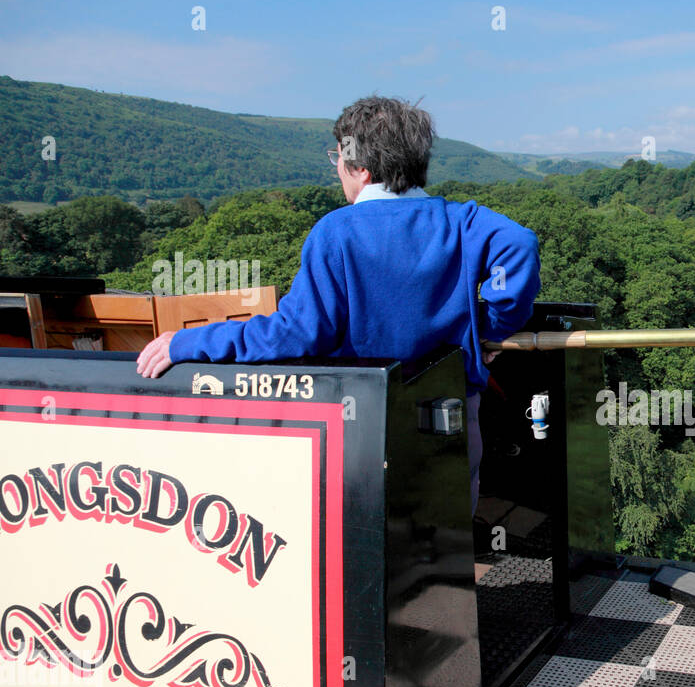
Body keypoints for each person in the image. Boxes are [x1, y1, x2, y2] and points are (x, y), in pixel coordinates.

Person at [136, 95, 541, 513]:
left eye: (337, 158)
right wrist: (493, 325)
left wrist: (187, 343)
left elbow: (295, 333)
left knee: (368, 544)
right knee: (448, 539)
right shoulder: (462, 221)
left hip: (363, 420)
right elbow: (521, 245)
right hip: (454, 412)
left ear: (360, 168)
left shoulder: (336, 231)